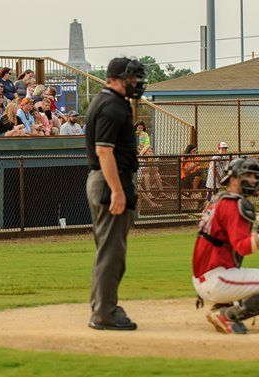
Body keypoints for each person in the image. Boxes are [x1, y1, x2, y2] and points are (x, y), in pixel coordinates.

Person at [194, 157, 259, 334]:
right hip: (217, 279)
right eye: (249, 176)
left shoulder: (218, 200)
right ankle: (227, 315)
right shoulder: (234, 204)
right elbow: (242, 247)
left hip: (204, 277)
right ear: (234, 179)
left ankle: (221, 309)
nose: (254, 180)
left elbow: (226, 240)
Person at [85, 57, 147, 331]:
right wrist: (118, 192)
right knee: (112, 252)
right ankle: (104, 313)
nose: (136, 83)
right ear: (114, 78)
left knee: (108, 250)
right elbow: (104, 151)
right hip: (109, 180)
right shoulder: (112, 105)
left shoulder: (107, 101)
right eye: (130, 78)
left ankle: (102, 306)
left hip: (106, 179)